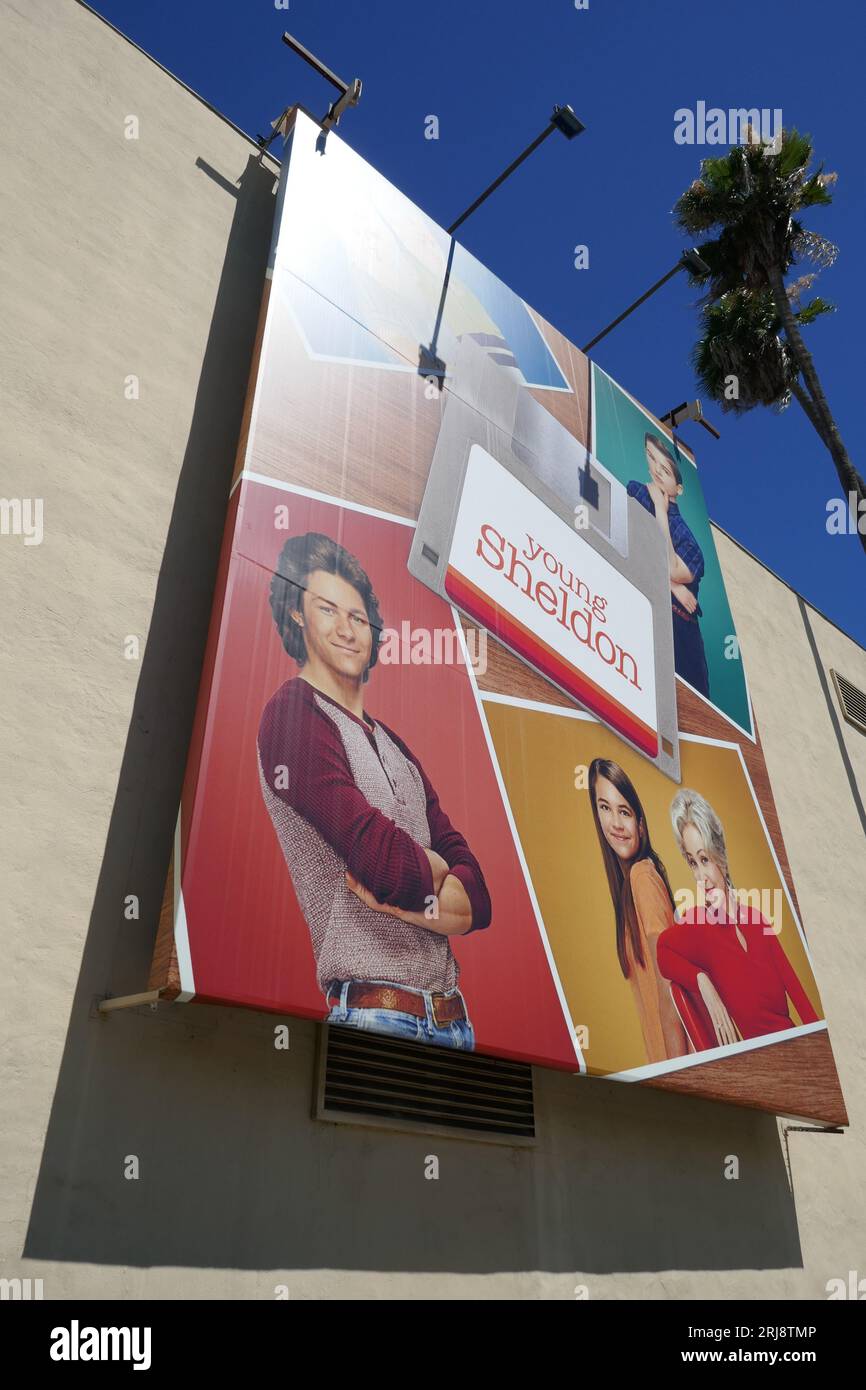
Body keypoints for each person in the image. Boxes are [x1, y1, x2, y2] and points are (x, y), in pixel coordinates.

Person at [257, 531, 491, 1051]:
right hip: (376, 1016)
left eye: (358, 617)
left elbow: (478, 899)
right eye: (327, 610)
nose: (347, 629)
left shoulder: (395, 746)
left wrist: (400, 898)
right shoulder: (294, 716)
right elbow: (384, 863)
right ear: (298, 615)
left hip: (455, 1021)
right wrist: (431, 877)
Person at [658, 789, 819, 1046]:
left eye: (705, 859)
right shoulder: (699, 923)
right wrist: (702, 981)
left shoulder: (757, 920)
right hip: (765, 1065)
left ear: (720, 856)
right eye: (692, 863)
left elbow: (802, 1002)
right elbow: (663, 952)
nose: (701, 876)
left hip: (798, 1052)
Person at [589, 758, 688, 1064]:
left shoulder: (641, 877)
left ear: (640, 825)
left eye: (625, 812)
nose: (616, 824)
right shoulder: (629, 887)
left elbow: (667, 984)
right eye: (605, 808)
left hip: (676, 1064)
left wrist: (679, 1074)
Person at [627, 432, 710, 698]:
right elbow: (621, 542)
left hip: (682, 641)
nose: (657, 472)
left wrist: (661, 513)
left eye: (666, 470)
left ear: (680, 487)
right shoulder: (636, 492)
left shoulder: (690, 544)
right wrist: (672, 587)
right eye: (652, 460)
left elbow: (671, 567)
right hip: (639, 615)